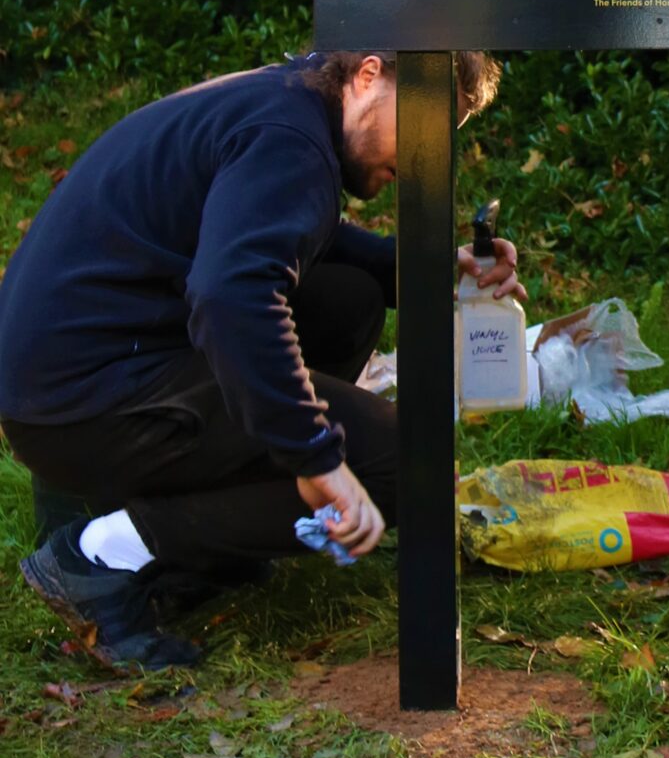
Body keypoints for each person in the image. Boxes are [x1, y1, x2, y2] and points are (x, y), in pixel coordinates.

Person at [0, 50, 514, 671]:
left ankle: (200, 542)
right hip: (86, 402)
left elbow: (292, 237)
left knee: (349, 297)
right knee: (410, 463)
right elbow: (229, 295)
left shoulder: (289, 101)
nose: (419, 161)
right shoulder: (290, 141)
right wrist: (315, 455)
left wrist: (435, 268)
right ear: (370, 74)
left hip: (70, 374)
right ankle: (101, 552)